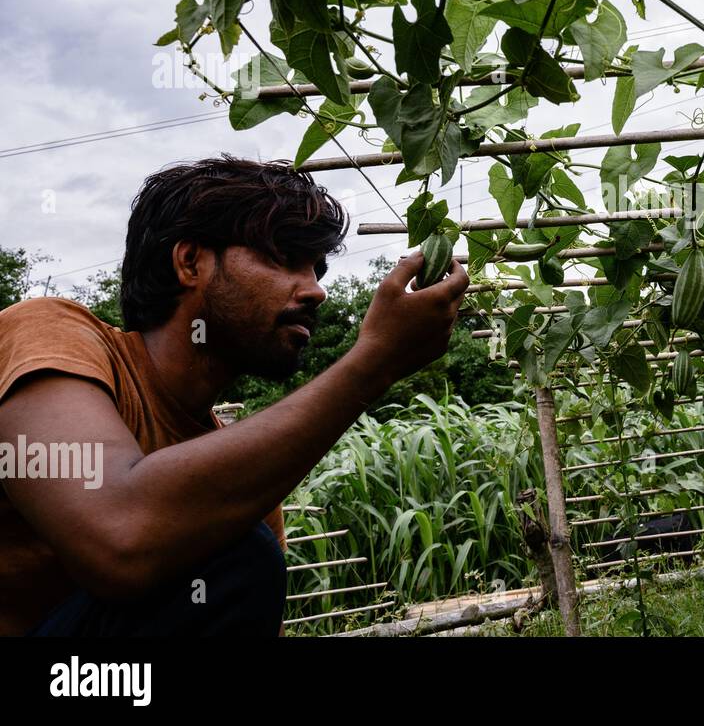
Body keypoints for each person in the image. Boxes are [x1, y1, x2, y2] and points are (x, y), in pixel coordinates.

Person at [0, 155, 468, 636]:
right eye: (284, 258)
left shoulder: (238, 489)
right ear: (189, 262)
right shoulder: (48, 332)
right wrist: (375, 362)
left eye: (317, 270)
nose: (315, 291)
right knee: (235, 553)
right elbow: (118, 537)